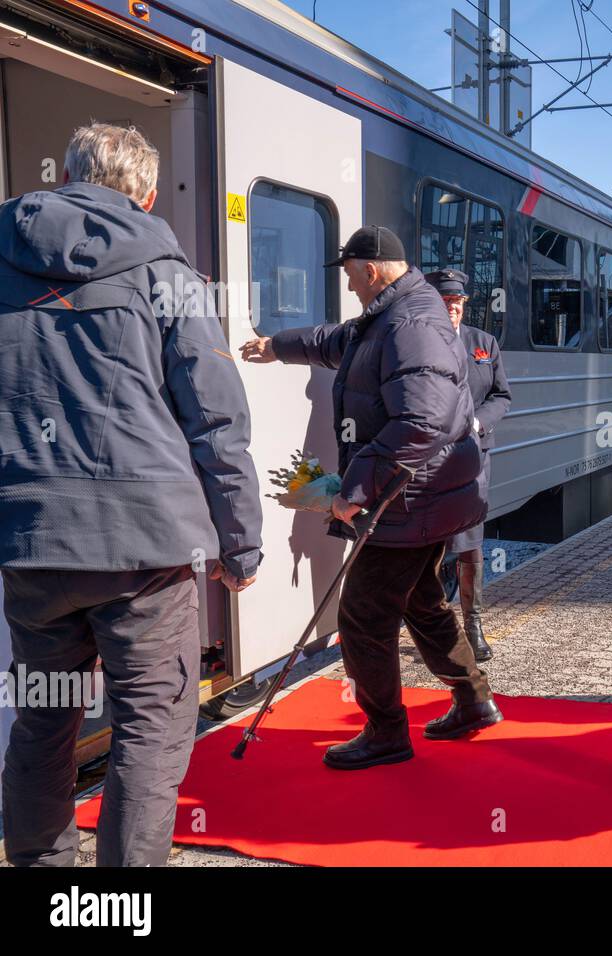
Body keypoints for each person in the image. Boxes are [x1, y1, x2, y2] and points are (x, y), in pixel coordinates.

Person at [0, 123, 263, 866]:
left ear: (72, 175)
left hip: (33, 543)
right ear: (145, 193)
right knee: (151, 726)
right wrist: (240, 543)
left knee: (44, 720)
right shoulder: (168, 272)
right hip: (146, 550)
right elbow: (216, 418)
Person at [240, 226, 500, 770]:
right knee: (421, 602)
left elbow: (422, 420)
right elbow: (335, 341)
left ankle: (386, 732)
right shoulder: (390, 316)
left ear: (373, 269)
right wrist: (276, 346)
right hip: (421, 497)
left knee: (361, 617)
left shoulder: (409, 323)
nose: (350, 284)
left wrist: (357, 489)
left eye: (350, 273)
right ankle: (473, 700)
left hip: (408, 500)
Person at [425, 268, 512, 664]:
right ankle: (433, 619)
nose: (453, 309)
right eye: (446, 303)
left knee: (471, 538)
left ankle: (473, 624)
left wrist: (478, 422)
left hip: (475, 455)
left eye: (457, 303)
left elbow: (502, 395)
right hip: (431, 458)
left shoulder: (483, 342)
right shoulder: (418, 342)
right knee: (433, 537)